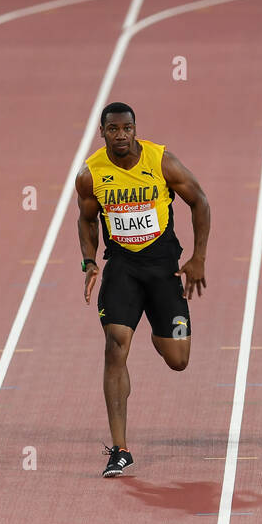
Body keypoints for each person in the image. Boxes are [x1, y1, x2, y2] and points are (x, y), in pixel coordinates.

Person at [75, 102, 210, 478]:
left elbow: (200, 200)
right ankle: (120, 449)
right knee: (116, 346)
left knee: (178, 359)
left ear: (135, 129)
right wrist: (89, 261)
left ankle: (156, 328)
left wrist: (198, 258)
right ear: (102, 133)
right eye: (113, 130)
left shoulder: (161, 161)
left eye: (127, 128)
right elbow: (86, 221)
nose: (121, 135)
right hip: (123, 269)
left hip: (163, 269)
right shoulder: (90, 174)